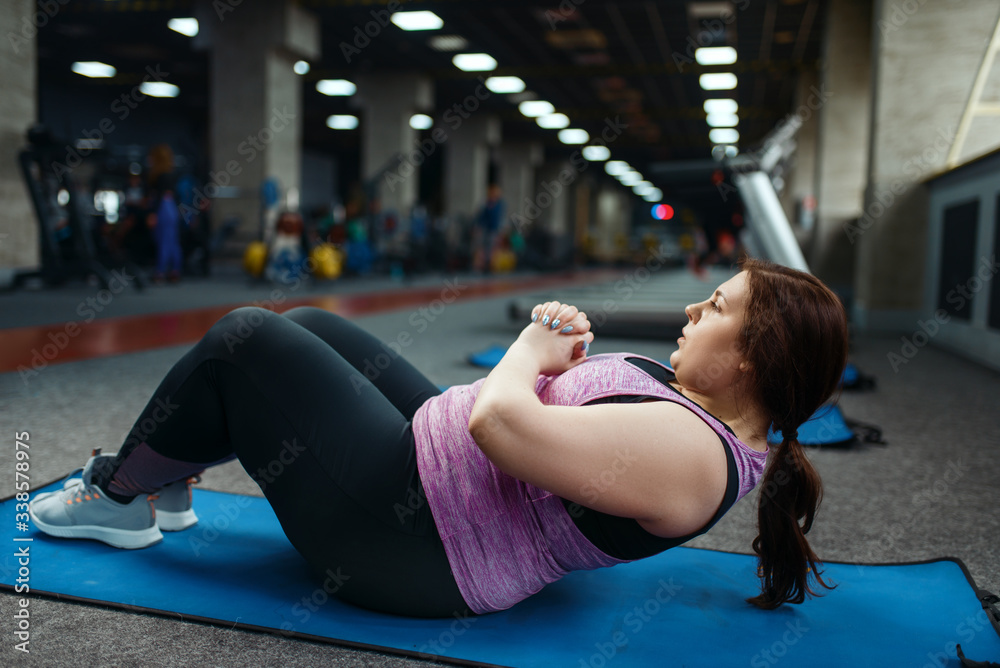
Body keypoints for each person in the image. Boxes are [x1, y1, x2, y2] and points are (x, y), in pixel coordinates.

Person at [29, 258, 848, 617]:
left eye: (714, 309)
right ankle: (167, 476)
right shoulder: (687, 402)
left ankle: (119, 495)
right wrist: (568, 355)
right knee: (309, 321)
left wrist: (532, 349)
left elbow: (500, 424)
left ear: (751, 355)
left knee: (247, 336)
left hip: (417, 543)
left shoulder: (694, 460)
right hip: (429, 467)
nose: (691, 313)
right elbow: (565, 408)